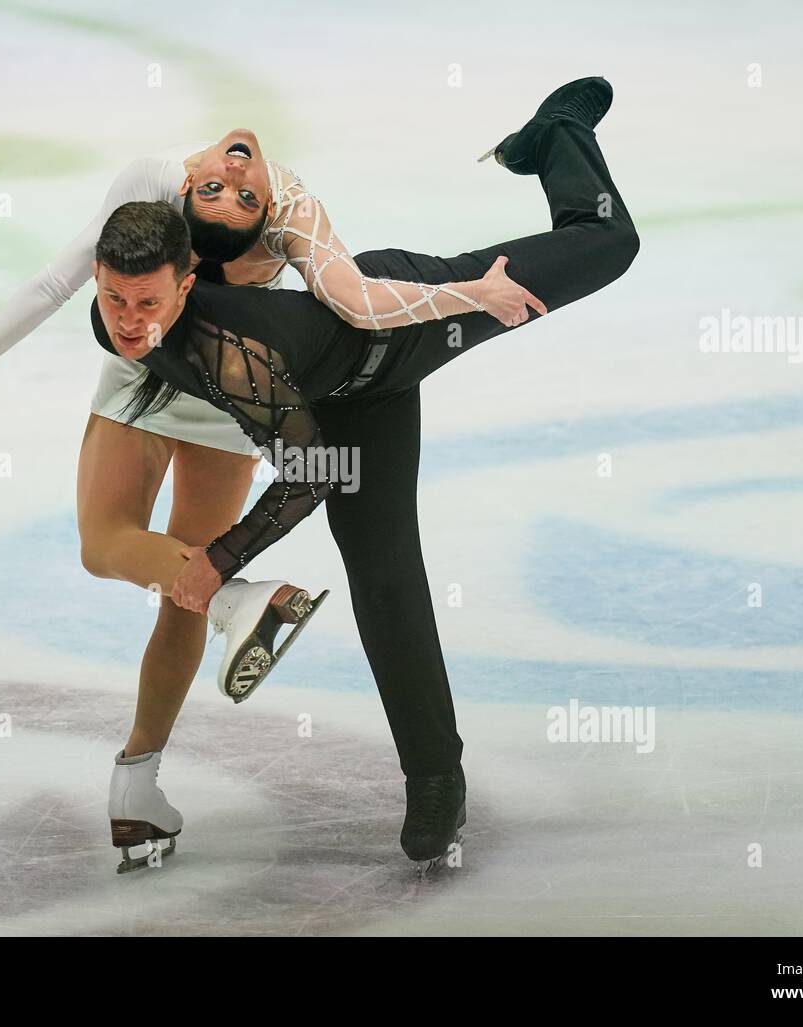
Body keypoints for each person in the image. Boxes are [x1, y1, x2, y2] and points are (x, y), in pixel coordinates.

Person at [0, 131, 534, 873]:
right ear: (194, 164)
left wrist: (464, 304)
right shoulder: (149, 181)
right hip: (142, 359)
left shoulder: (285, 206)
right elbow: (61, 280)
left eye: (245, 186)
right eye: (217, 172)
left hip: (225, 386)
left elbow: (353, 304)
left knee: (179, 587)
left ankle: (137, 786)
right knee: (107, 542)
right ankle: (240, 602)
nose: (232, 177)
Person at [87, 78, 638, 873]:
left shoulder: (227, 349)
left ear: (184, 285)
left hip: (406, 324)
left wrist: (219, 558)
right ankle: (437, 778)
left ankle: (557, 137)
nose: (129, 322)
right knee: (383, 572)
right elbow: (311, 454)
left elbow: (310, 470)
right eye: (113, 301)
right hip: (340, 396)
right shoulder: (124, 313)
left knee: (608, 243)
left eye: (146, 302)